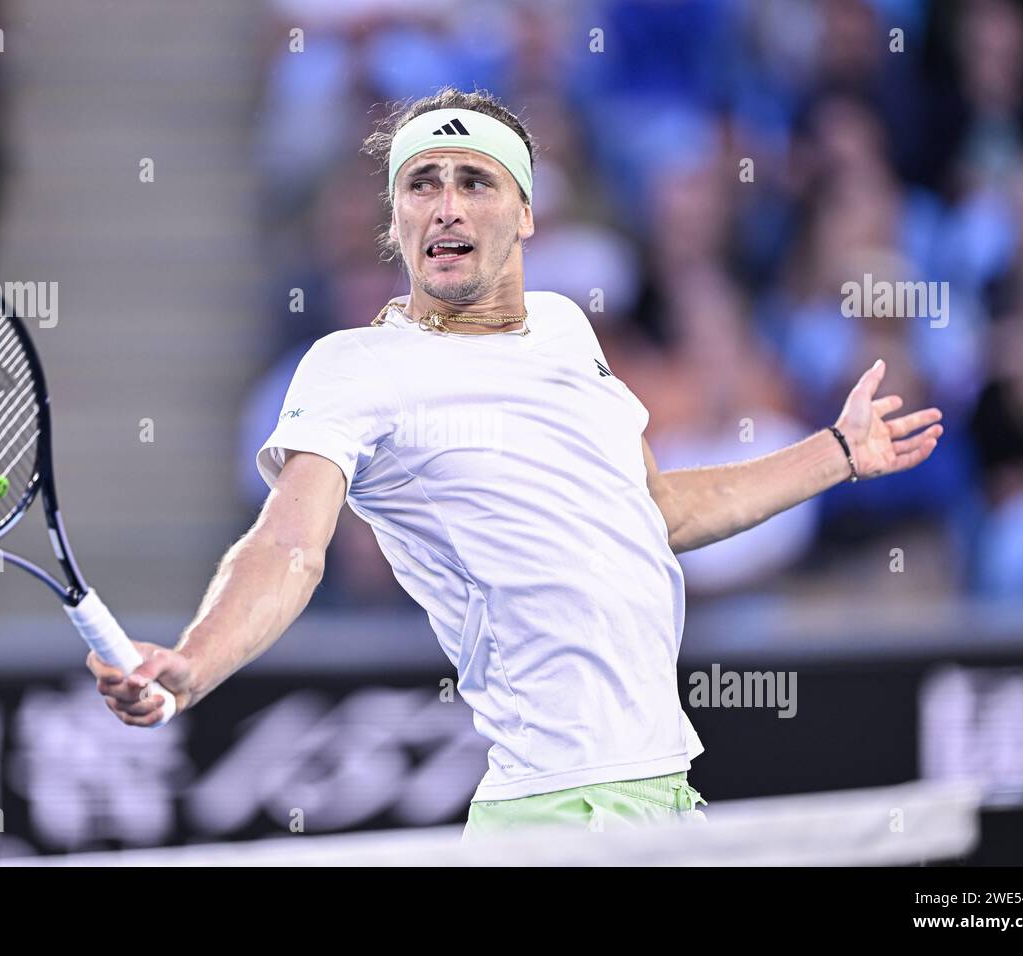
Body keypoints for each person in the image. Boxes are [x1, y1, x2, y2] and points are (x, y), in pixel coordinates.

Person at [87, 88, 944, 837]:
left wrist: (837, 452)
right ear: (397, 221)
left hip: (665, 797)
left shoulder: (569, 330)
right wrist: (194, 663)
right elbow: (289, 545)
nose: (447, 207)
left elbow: (657, 511)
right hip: (554, 814)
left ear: (526, 212)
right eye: (421, 184)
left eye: (475, 181)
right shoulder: (354, 365)